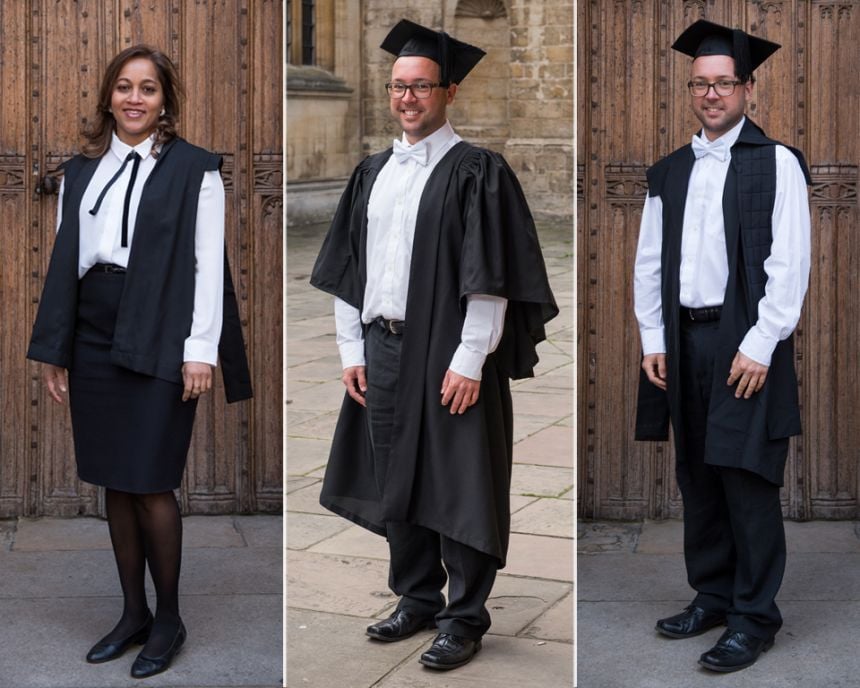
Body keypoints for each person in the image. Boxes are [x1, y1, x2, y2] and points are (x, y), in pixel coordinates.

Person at [310, 18, 557, 672]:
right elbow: (347, 270)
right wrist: (351, 352)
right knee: (397, 478)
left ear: (449, 92)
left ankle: (465, 617)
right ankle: (416, 598)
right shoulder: (372, 172)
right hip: (383, 348)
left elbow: (491, 276)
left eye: (421, 87)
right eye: (398, 87)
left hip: (448, 351)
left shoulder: (478, 171)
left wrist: (472, 358)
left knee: (460, 483)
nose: (408, 98)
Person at [27, 45, 251, 679]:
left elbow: (210, 266)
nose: (134, 98)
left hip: (161, 327)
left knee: (151, 480)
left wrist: (200, 349)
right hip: (94, 331)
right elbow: (67, 263)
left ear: (164, 100)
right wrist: (56, 348)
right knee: (113, 481)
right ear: (108, 97)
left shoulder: (196, 170)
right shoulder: (80, 172)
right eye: (124, 87)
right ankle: (132, 613)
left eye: (147, 89)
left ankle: (170, 616)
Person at [633, 19, 811, 673]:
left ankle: (755, 617)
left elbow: (790, 263)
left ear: (748, 89)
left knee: (747, 476)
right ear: (691, 90)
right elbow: (649, 263)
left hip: (745, 346)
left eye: (724, 83)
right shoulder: (670, 170)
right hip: (683, 342)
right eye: (701, 84)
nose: (712, 95)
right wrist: (654, 336)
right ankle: (711, 594)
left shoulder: (777, 164)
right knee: (699, 476)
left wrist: (762, 343)